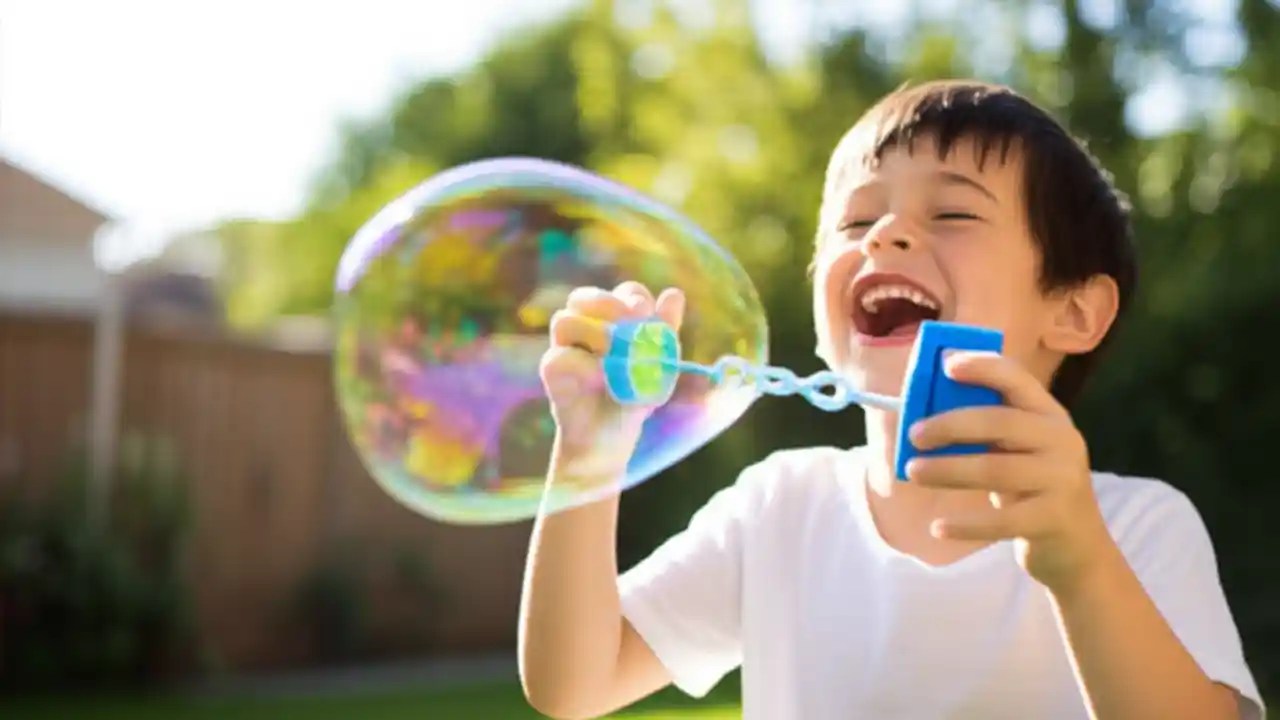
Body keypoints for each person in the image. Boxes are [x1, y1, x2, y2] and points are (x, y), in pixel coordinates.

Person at [517, 79, 1265, 720]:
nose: (884, 235)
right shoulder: (780, 509)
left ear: (1072, 312)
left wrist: (1079, 562)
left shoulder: (1134, 527)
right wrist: (590, 448)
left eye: (952, 214)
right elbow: (573, 682)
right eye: (853, 220)